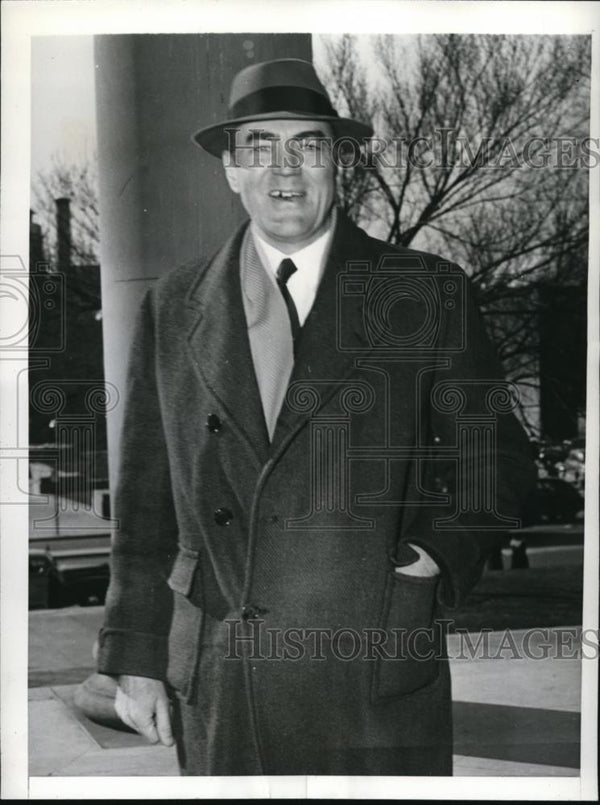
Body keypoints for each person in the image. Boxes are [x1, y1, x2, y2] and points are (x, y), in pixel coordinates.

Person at [97, 57, 535, 775]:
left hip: (369, 667)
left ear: (341, 161)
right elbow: (146, 503)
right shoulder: (173, 304)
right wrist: (137, 659)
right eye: (259, 148)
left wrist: (428, 559)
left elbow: (497, 462)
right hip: (222, 671)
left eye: (307, 145)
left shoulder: (425, 291)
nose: (284, 171)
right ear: (231, 170)